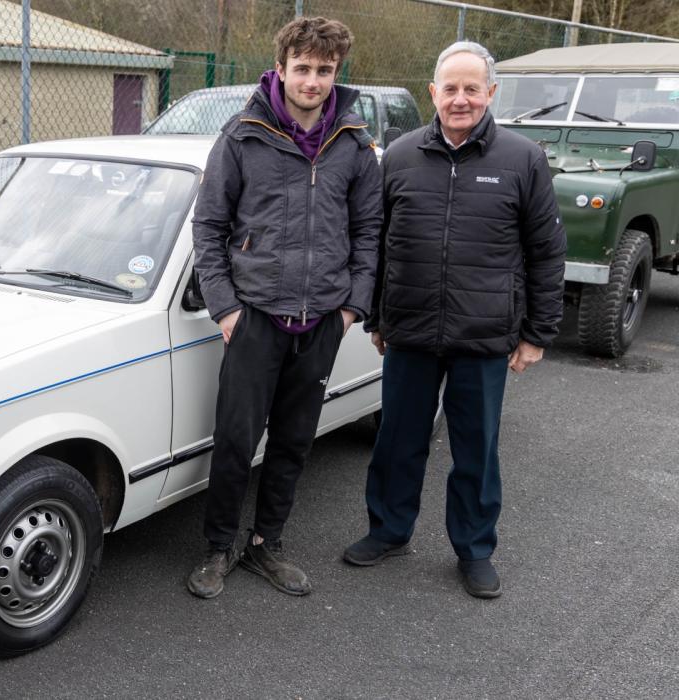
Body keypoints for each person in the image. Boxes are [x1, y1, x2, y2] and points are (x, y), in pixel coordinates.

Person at [343, 41, 566, 598]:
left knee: (476, 448)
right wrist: (376, 316)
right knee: (397, 441)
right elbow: (378, 243)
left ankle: (474, 549)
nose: (460, 99)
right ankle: (390, 530)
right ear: (432, 93)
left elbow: (546, 250)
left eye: (472, 89)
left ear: (491, 93)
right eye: (451, 88)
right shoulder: (398, 155)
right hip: (410, 330)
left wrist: (537, 333)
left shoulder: (522, 159)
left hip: (484, 334)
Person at [188, 16, 382, 599]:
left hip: (321, 320)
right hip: (255, 317)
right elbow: (209, 225)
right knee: (235, 440)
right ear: (282, 68)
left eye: (325, 70)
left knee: (295, 440)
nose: (314, 81)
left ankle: (265, 544)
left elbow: (370, 230)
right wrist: (225, 308)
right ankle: (219, 547)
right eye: (303, 69)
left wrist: (350, 308)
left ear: (336, 72)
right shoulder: (243, 135)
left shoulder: (352, 143)